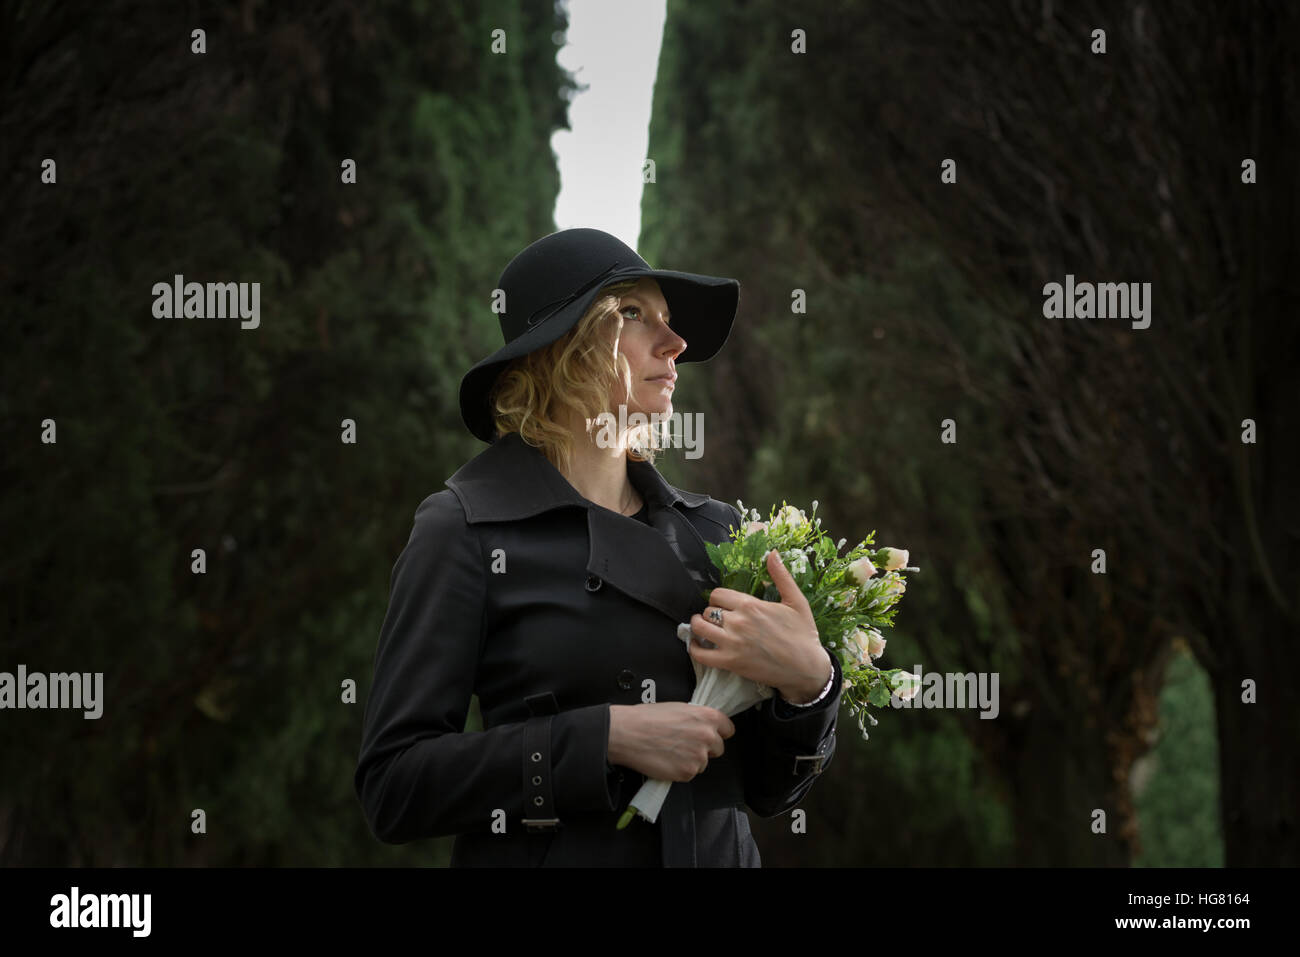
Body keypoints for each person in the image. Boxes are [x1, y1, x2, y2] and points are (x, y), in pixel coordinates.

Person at [354, 227, 842, 867]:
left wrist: (811, 686)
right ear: (559, 350)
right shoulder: (464, 529)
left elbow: (768, 790)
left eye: (669, 322)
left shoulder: (718, 532)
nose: (677, 344)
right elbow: (395, 785)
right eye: (635, 315)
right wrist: (604, 738)